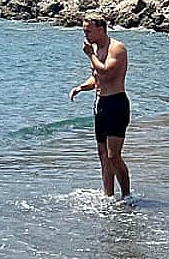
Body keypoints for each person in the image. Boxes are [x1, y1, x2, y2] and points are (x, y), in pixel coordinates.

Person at [69, 14, 131, 199]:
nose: (85, 33)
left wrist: (90, 55)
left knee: (114, 155)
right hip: (100, 104)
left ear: (101, 29)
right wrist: (81, 87)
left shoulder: (116, 49)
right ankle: (108, 197)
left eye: (88, 30)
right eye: (83, 30)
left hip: (116, 104)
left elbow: (106, 73)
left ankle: (126, 195)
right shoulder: (97, 50)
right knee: (103, 155)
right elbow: (96, 78)